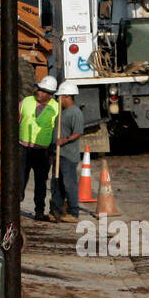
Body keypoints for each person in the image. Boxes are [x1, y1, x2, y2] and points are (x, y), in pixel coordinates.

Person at [19, 75, 59, 222]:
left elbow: (56, 131)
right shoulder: (26, 102)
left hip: (43, 151)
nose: (39, 93)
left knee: (40, 182)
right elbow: (17, 120)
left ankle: (39, 210)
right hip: (23, 147)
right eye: (39, 89)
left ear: (50, 94)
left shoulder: (56, 108)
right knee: (19, 178)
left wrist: (53, 150)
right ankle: (15, 204)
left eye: (43, 91)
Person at [50, 81, 86, 223]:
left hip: (68, 155)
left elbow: (78, 132)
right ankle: (57, 210)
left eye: (60, 97)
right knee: (56, 183)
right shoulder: (62, 111)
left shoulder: (75, 113)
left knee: (69, 184)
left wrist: (64, 140)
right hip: (58, 154)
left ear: (67, 97)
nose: (58, 99)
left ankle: (73, 212)